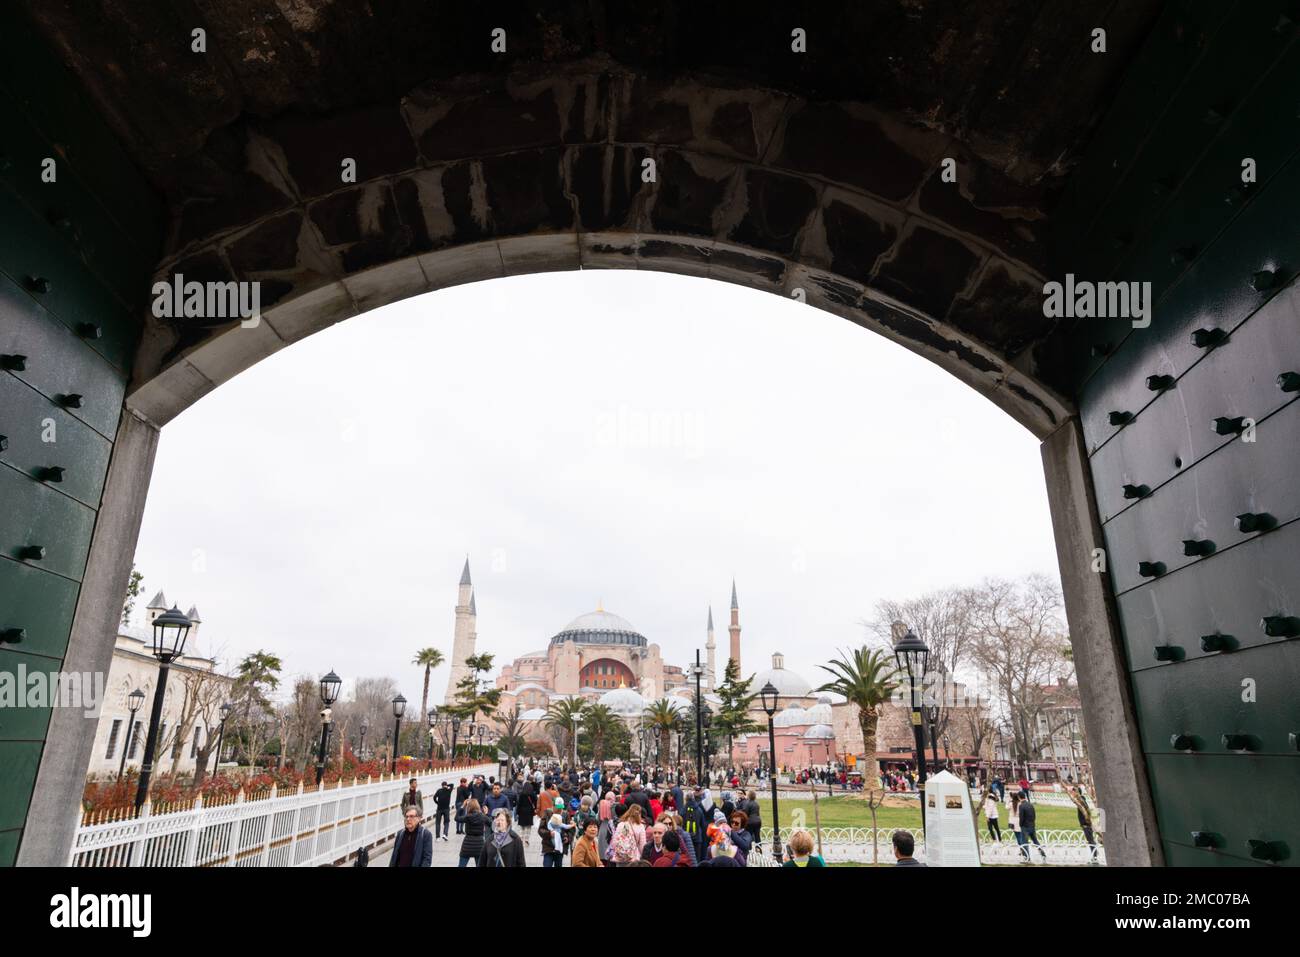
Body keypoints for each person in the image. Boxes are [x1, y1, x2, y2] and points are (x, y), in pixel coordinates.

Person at [456, 797, 489, 867]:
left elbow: (457, 818)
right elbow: (491, 823)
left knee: (461, 865)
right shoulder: (482, 817)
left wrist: (462, 806)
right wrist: (486, 814)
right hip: (479, 844)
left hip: (467, 844)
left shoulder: (467, 817)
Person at [1018, 793, 1047, 862]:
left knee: (1025, 842)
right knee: (1035, 841)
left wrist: (1020, 824)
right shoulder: (1030, 804)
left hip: (1025, 826)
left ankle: (1026, 857)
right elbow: (1034, 815)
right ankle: (1042, 853)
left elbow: (1021, 817)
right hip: (1032, 825)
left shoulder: (1021, 806)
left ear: (1019, 797)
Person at [1075, 787, 1100, 864]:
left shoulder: (1082, 800)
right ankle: (1094, 854)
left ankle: (1095, 856)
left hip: (1087, 825)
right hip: (1086, 824)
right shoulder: (1080, 801)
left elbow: (1087, 810)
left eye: (1075, 792)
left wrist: (1086, 821)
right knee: (1090, 840)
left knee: (1090, 840)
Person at [516, 780, 537, 846]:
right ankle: (526, 840)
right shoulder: (532, 794)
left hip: (522, 811)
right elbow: (536, 802)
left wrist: (517, 812)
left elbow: (519, 804)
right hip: (529, 811)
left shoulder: (522, 794)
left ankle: (521, 839)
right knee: (528, 826)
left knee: (522, 826)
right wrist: (535, 809)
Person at [1009, 794, 1029, 862]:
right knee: (1020, 836)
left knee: (1017, 837)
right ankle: (1022, 850)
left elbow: (1006, 807)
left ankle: (1022, 849)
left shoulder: (1011, 804)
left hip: (1013, 821)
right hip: (1019, 821)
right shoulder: (1020, 804)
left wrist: (1009, 800)